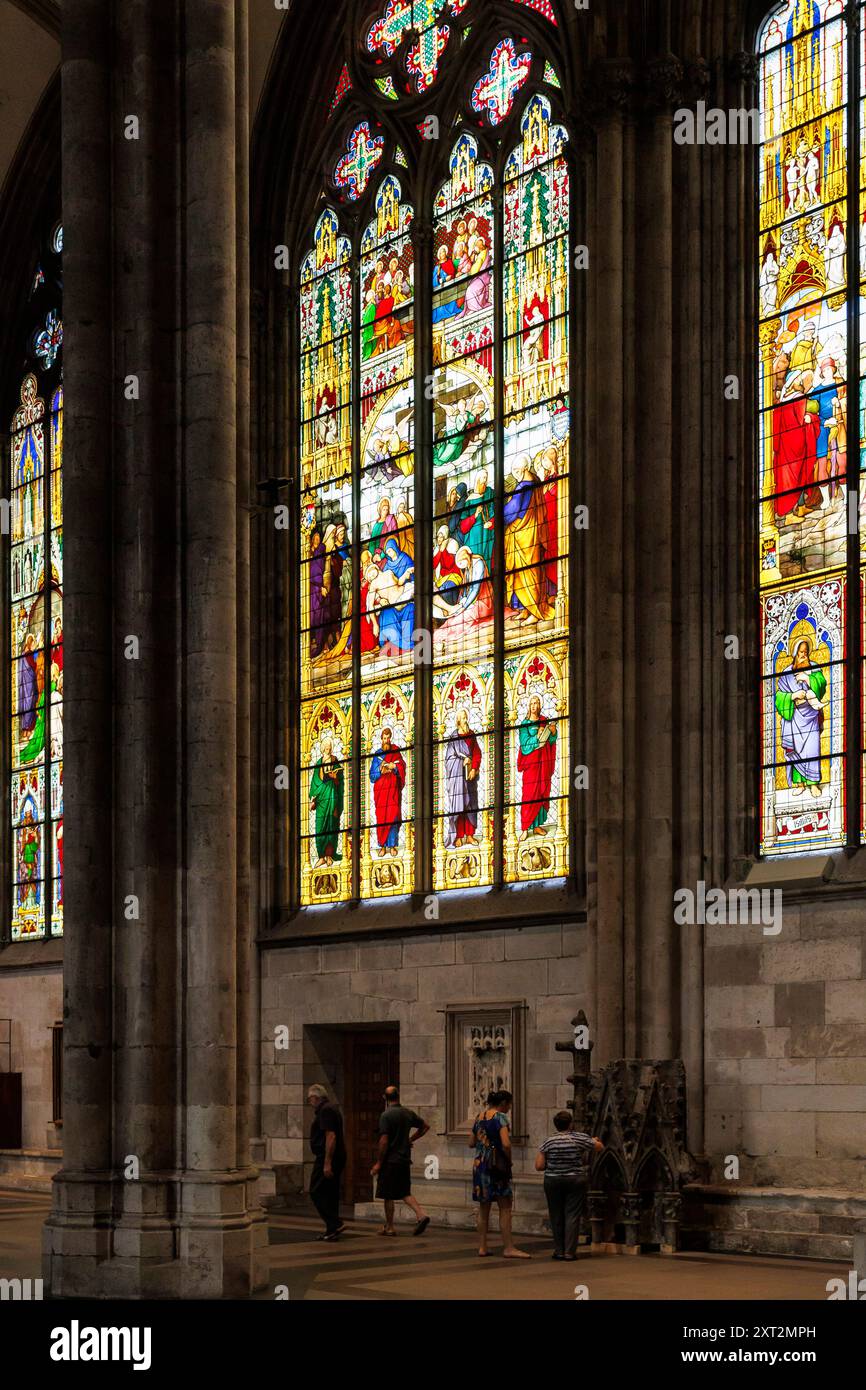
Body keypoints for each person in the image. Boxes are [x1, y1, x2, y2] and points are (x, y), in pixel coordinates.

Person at [534, 1110, 603, 1261]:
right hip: (575, 1180)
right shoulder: (578, 1137)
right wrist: (593, 1140)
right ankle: (569, 1253)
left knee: (556, 1215)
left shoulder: (548, 1141)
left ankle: (558, 1251)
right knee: (572, 1215)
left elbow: (539, 1165)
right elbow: (599, 1147)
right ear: (571, 1124)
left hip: (553, 1180)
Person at [469, 1089, 529, 1258]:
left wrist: (485, 1143)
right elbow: (506, 1144)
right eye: (509, 1104)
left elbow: (471, 1143)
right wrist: (508, 1161)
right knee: (505, 1207)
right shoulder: (500, 1118)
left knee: (483, 1207)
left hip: (479, 1165)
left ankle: (482, 1247)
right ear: (503, 1103)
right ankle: (509, 1247)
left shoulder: (479, 1117)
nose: (509, 1107)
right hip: (496, 1167)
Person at [371, 1085, 430, 1236]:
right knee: (404, 1191)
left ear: (385, 1098)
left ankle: (390, 1227)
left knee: (388, 1195)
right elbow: (425, 1127)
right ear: (398, 1096)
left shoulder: (386, 1115)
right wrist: (410, 1139)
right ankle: (421, 1215)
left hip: (390, 1160)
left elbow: (384, 1141)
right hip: (404, 1160)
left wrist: (378, 1163)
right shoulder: (407, 1113)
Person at [306, 1084, 347, 1241]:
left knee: (315, 1191)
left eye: (310, 1099)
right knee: (330, 1192)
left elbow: (331, 1136)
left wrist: (327, 1162)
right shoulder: (330, 1108)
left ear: (315, 1098)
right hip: (334, 1156)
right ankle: (332, 1229)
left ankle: (335, 1223)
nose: (310, 1103)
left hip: (328, 1156)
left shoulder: (326, 1110)